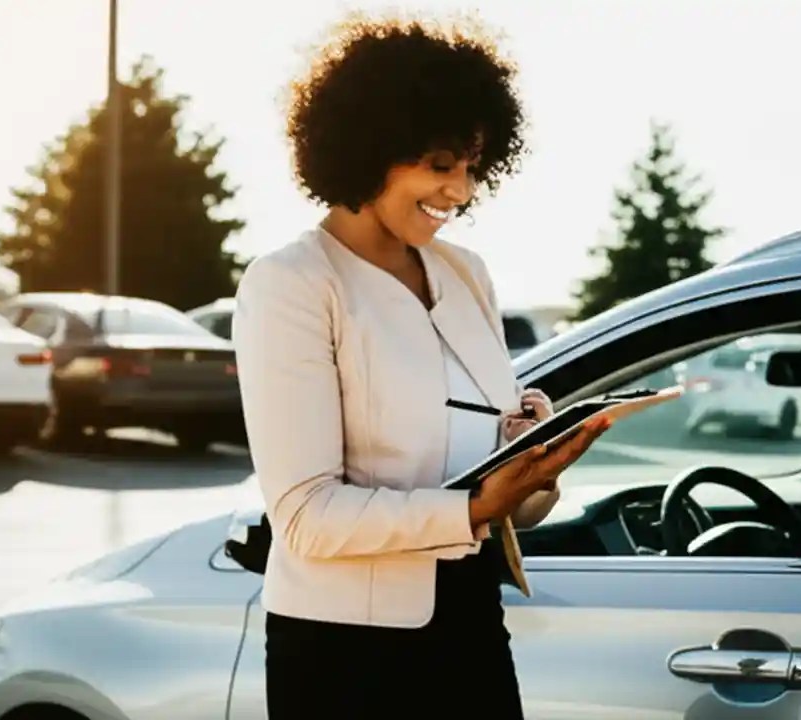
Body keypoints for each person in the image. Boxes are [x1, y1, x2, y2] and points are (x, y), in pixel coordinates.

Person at [233, 11, 612, 719]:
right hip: (344, 653)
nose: (461, 191)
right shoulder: (292, 283)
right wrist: (473, 508)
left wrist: (534, 462)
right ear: (369, 146)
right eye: (440, 165)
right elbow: (307, 517)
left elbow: (505, 500)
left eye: (472, 167)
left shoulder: (467, 274)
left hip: (471, 623)